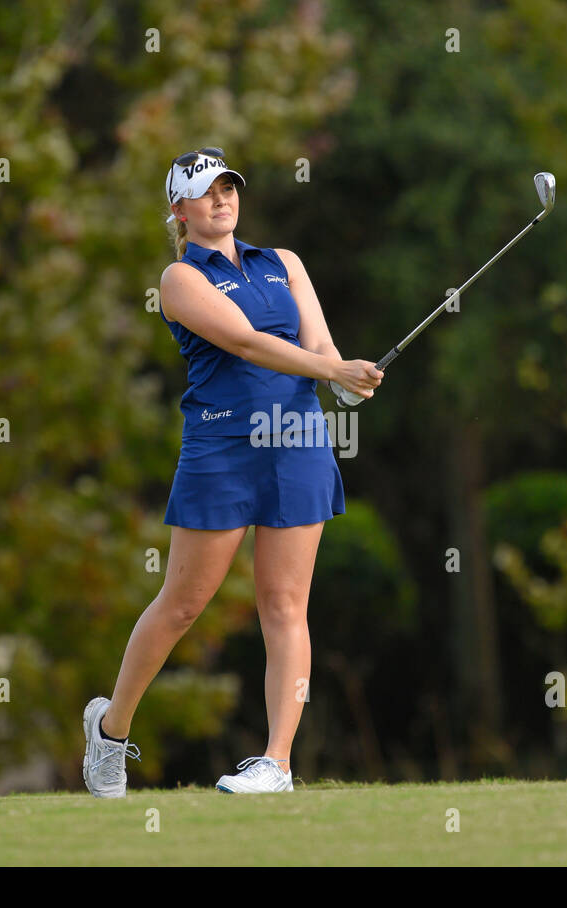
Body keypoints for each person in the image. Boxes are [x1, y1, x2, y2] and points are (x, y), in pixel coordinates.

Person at [83, 146, 383, 796]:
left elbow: (320, 345)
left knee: (285, 606)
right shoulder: (178, 280)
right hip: (221, 449)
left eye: (229, 187)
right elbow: (245, 341)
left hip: (298, 443)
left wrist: (347, 379)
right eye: (205, 191)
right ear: (179, 210)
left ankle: (277, 762)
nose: (221, 199)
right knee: (184, 605)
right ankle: (110, 732)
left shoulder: (285, 264)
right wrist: (333, 372)